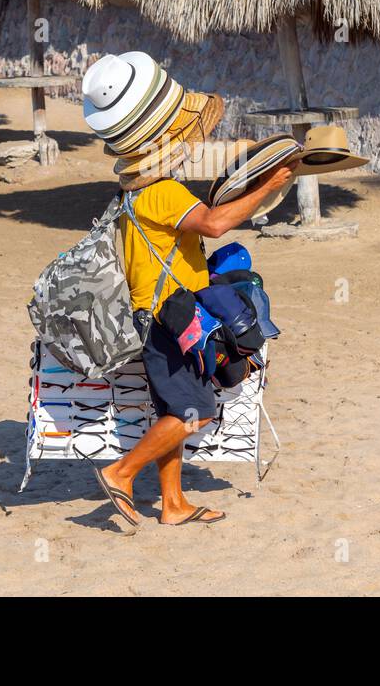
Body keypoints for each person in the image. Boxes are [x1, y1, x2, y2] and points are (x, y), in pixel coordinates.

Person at [80, 54, 295, 527]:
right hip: (177, 321)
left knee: (173, 411)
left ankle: (173, 504)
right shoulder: (166, 193)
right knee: (195, 412)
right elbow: (216, 225)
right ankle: (121, 472)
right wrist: (270, 187)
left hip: (156, 319)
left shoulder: (135, 194)